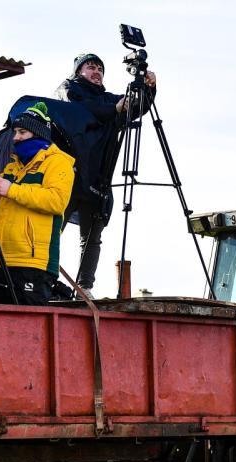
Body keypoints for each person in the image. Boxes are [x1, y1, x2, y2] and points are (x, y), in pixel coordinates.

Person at [54, 53, 157, 296]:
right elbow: (80, 112)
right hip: (70, 172)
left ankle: (84, 286)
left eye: (100, 68)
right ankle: (45, 277)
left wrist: (149, 90)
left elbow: (133, 109)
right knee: (54, 228)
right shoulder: (69, 89)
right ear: (78, 71)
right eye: (91, 67)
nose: (97, 71)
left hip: (99, 176)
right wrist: (113, 108)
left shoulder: (105, 98)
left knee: (92, 235)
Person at [0, 102, 75, 306]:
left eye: (22, 132)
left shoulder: (58, 162)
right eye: (15, 132)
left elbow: (56, 201)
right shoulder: (14, 165)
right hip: (1, 259)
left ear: (38, 133)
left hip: (34, 263)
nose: (16, 137)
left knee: (30, 330)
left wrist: (11, 189)